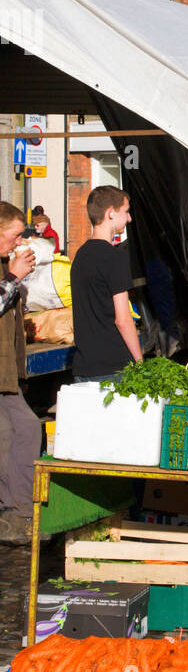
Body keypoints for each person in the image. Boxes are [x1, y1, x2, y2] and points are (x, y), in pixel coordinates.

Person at [0, 201, 42, 543]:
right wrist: (14, 277)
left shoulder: (5, 263)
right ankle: (16, 511)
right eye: (13, 235)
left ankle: (20, 509)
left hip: (6, 369)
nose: (17, 243)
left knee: (22, 428)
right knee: (15, 431)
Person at [70, 186, 142, 381]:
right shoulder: (114, 258)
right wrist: (140, 361)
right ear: (111, 213)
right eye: (126, 212)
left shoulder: (80, 255)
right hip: (114, 366)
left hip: (84, 366)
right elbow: (123, 320)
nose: (129, 219)